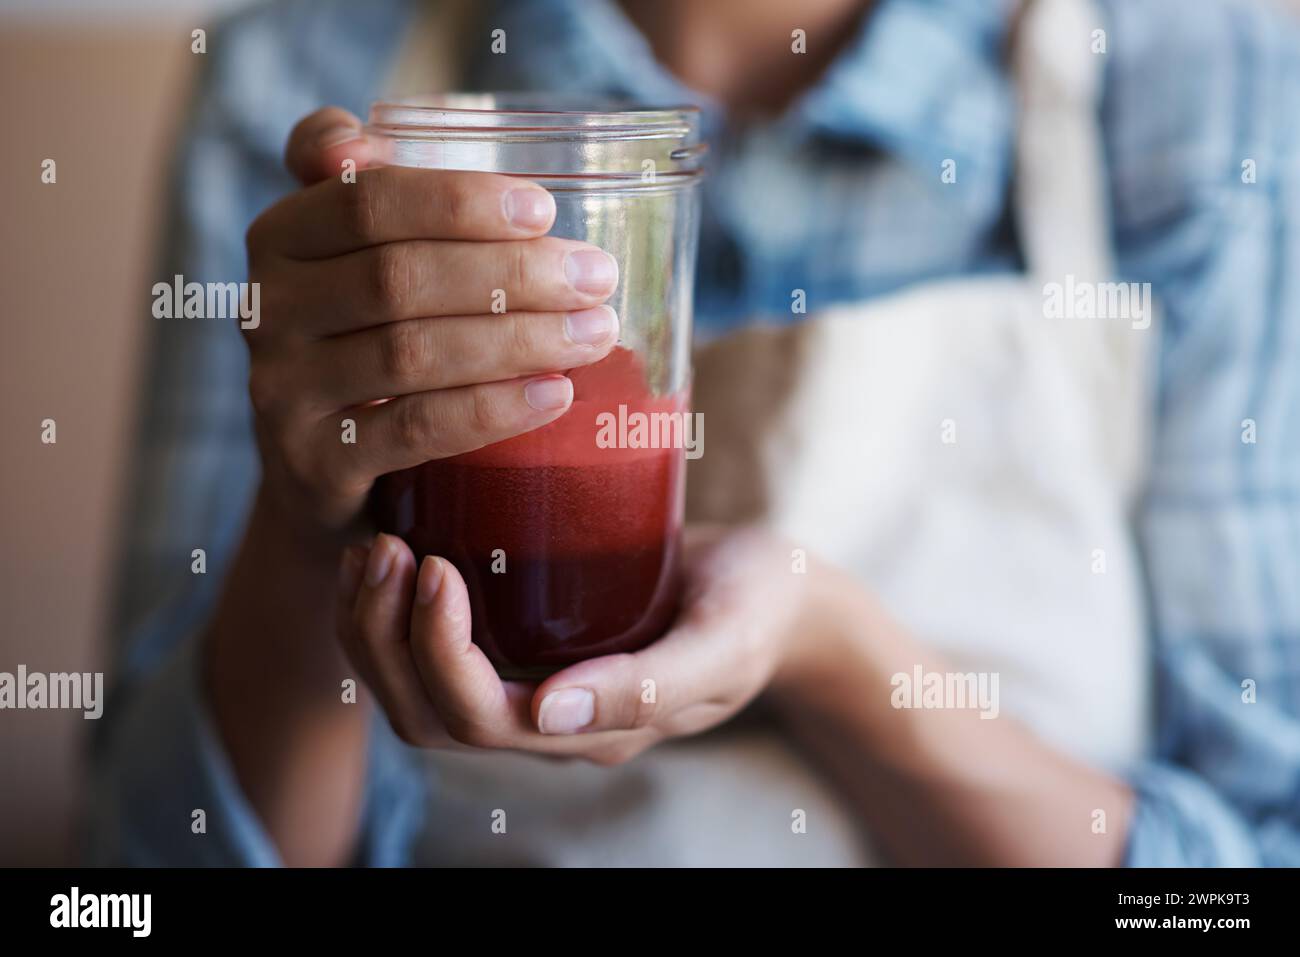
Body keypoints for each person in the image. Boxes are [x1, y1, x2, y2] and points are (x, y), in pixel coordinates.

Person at [89, 0, 1300, 866]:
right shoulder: (299, 69)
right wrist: (303, 537)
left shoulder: (1196, 84)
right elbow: (143, 861)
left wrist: (829, 656)